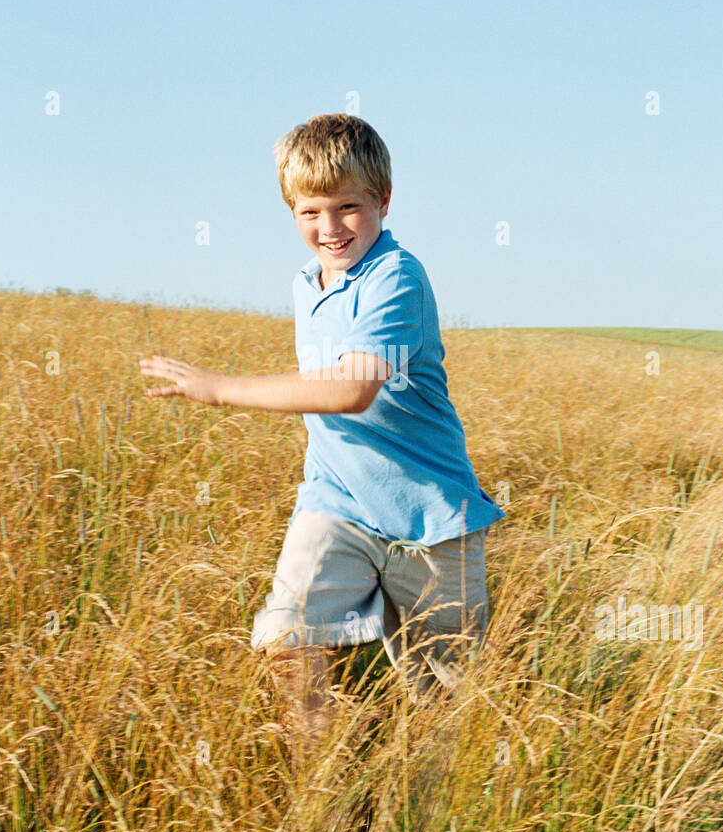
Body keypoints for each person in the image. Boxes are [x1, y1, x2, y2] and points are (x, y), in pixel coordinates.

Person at [140, 113, 503, 767]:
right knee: (287, 637)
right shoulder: (307, 286)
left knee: (446, 706)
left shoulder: (397, 276)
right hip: (336, 502)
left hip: (431, 518)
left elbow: (348, 391)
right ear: (290, 211)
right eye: (309, 211)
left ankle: (429, 821)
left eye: (347, 207)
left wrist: (219, 389)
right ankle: (326, 791)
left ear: (382, 202)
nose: (329, 228)